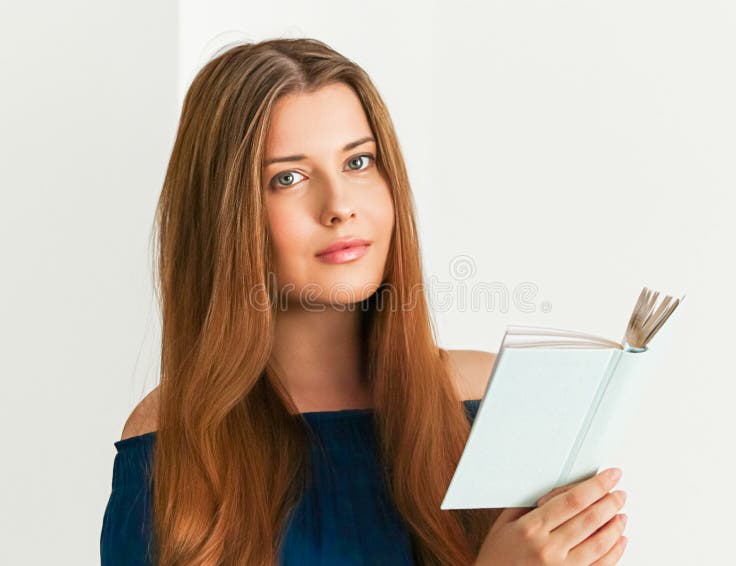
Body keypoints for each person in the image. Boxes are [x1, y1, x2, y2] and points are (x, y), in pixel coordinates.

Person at [100, 37, 627, 566]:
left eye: (359, 161)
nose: (339, 206)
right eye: (288, 177)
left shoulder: (497, 403)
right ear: (226, 215)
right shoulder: (171, 442)